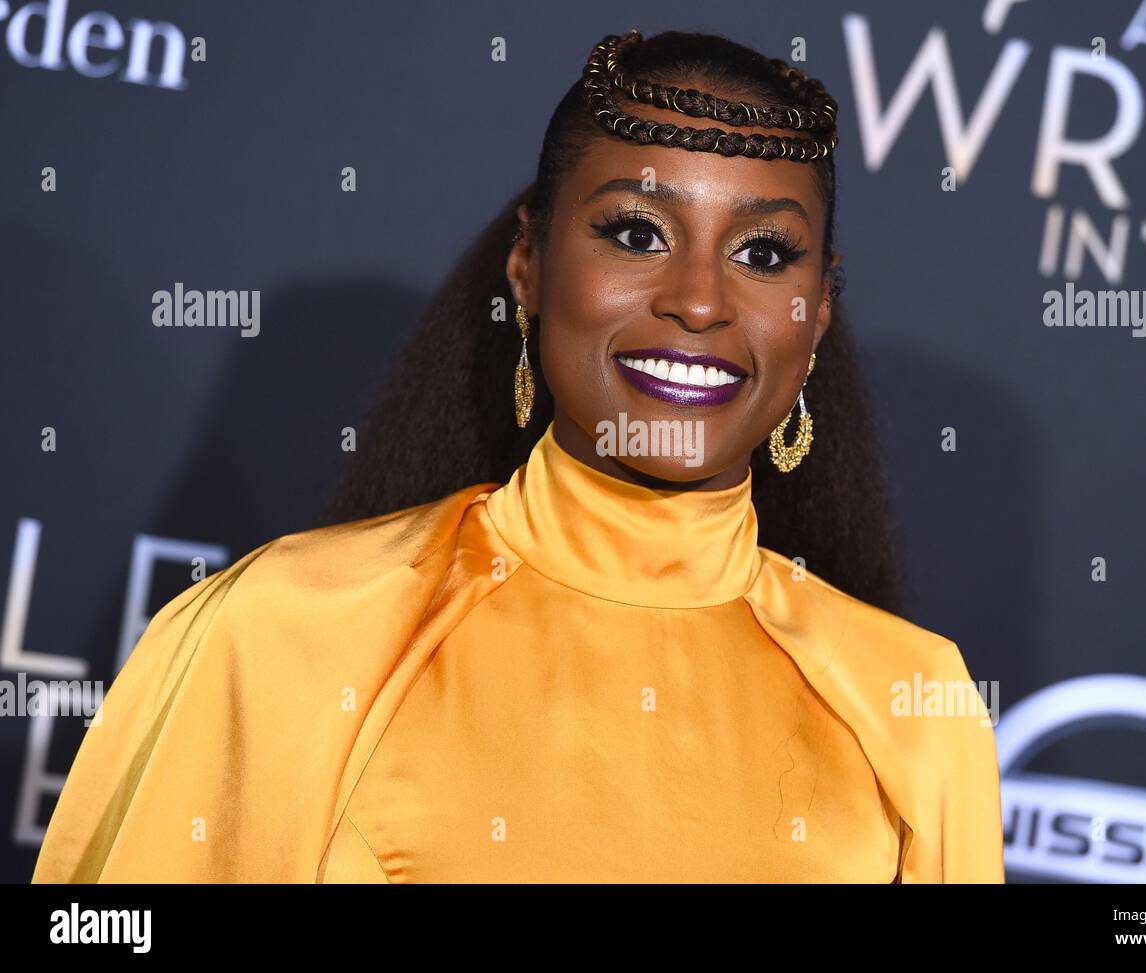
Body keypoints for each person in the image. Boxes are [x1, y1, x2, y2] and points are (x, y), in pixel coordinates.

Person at [32, 28, 1004, 883]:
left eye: (761, 254)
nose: (699, 302)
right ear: (528, 264)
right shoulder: (287, 631)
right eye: (637, 232)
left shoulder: (911, 706)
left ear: (818, 307)